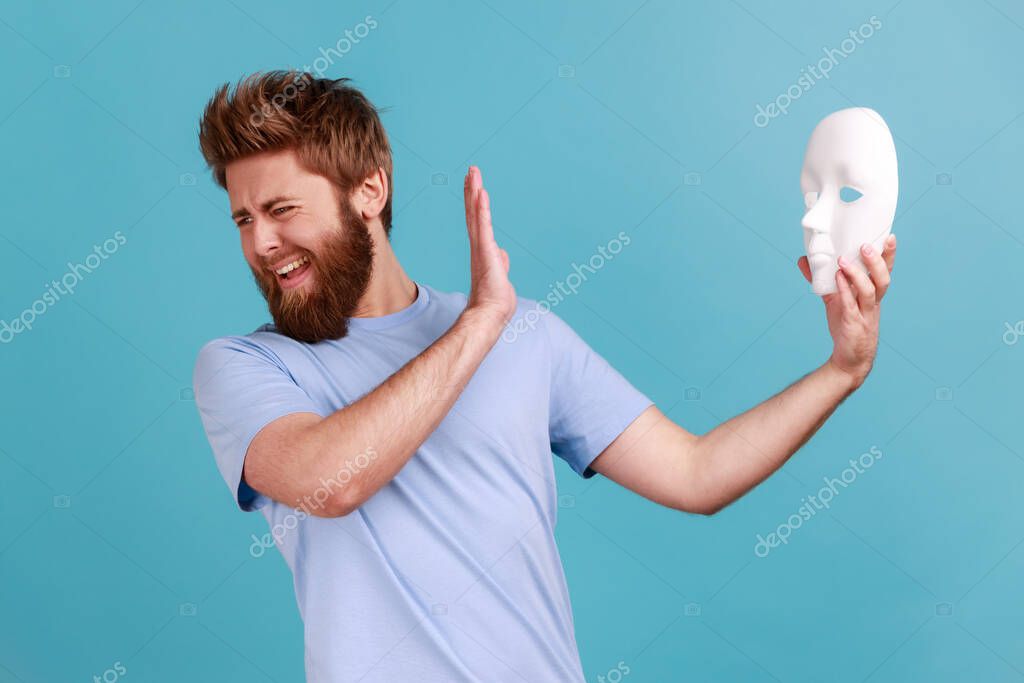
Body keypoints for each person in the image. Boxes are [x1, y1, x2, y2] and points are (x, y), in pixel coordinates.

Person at [193, 71, 897, 683]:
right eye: (243, 220)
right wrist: (477, 325)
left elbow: (696, 473)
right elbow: (333, 480)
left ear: (369, 190)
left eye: (282, 210)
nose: (260, 243)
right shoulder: (245, 366)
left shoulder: (524, 334)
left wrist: (841, 369)